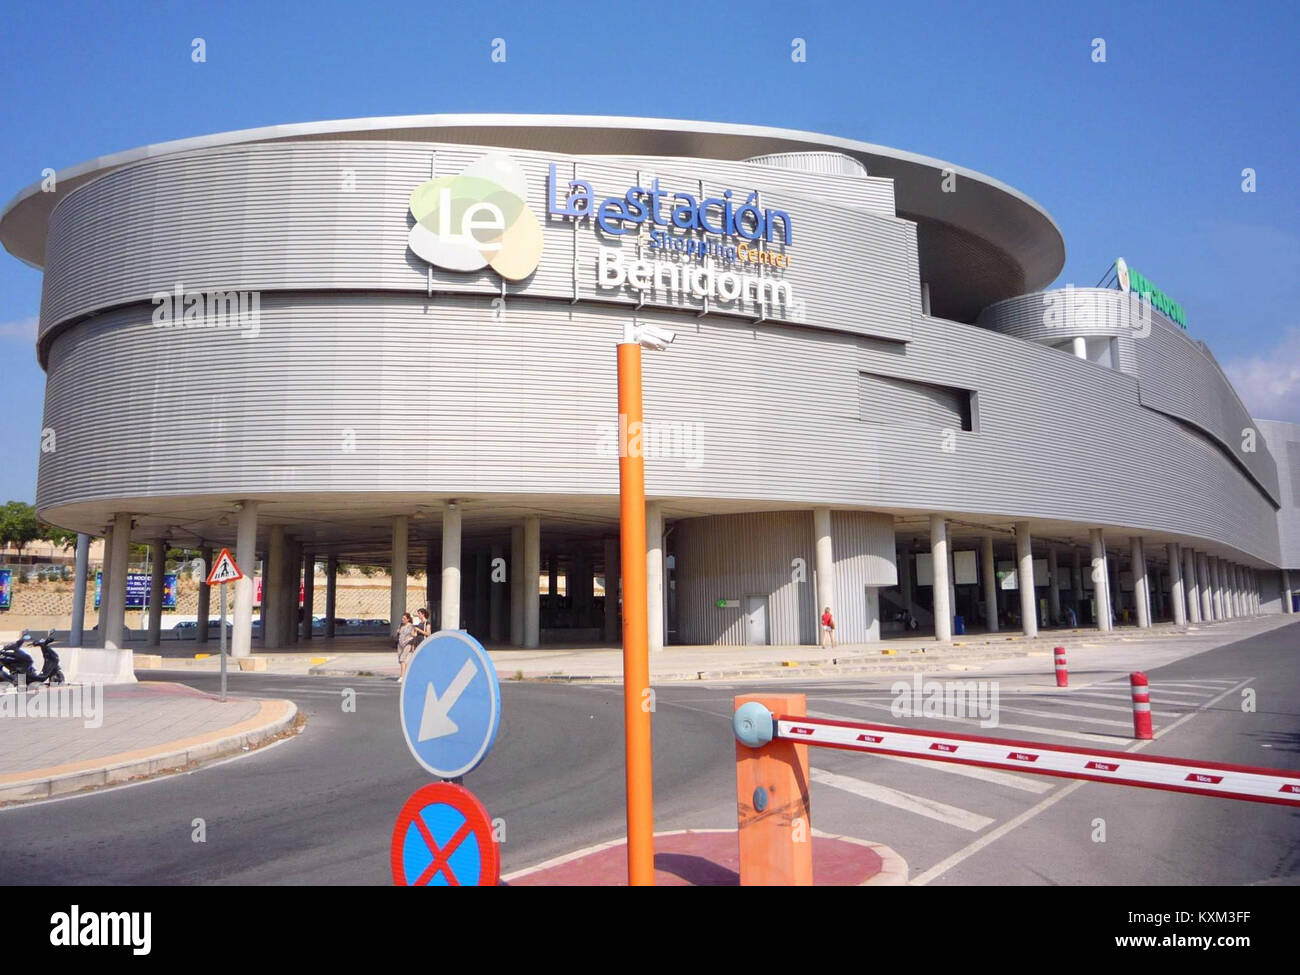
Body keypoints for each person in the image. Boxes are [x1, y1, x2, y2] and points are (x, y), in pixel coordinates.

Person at [396, 612, 418, 681]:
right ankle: (405, 674)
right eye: (402, 618)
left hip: (407, 644)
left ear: (408, 619)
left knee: (402, 659)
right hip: (400, 644)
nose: (403, 619)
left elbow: (413, 635)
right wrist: (398, 631)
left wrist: (414, 634)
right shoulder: (401, 625)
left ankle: (402, 676)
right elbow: (399, 633)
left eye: (404, 618)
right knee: (400, 660)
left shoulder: (411, 626)